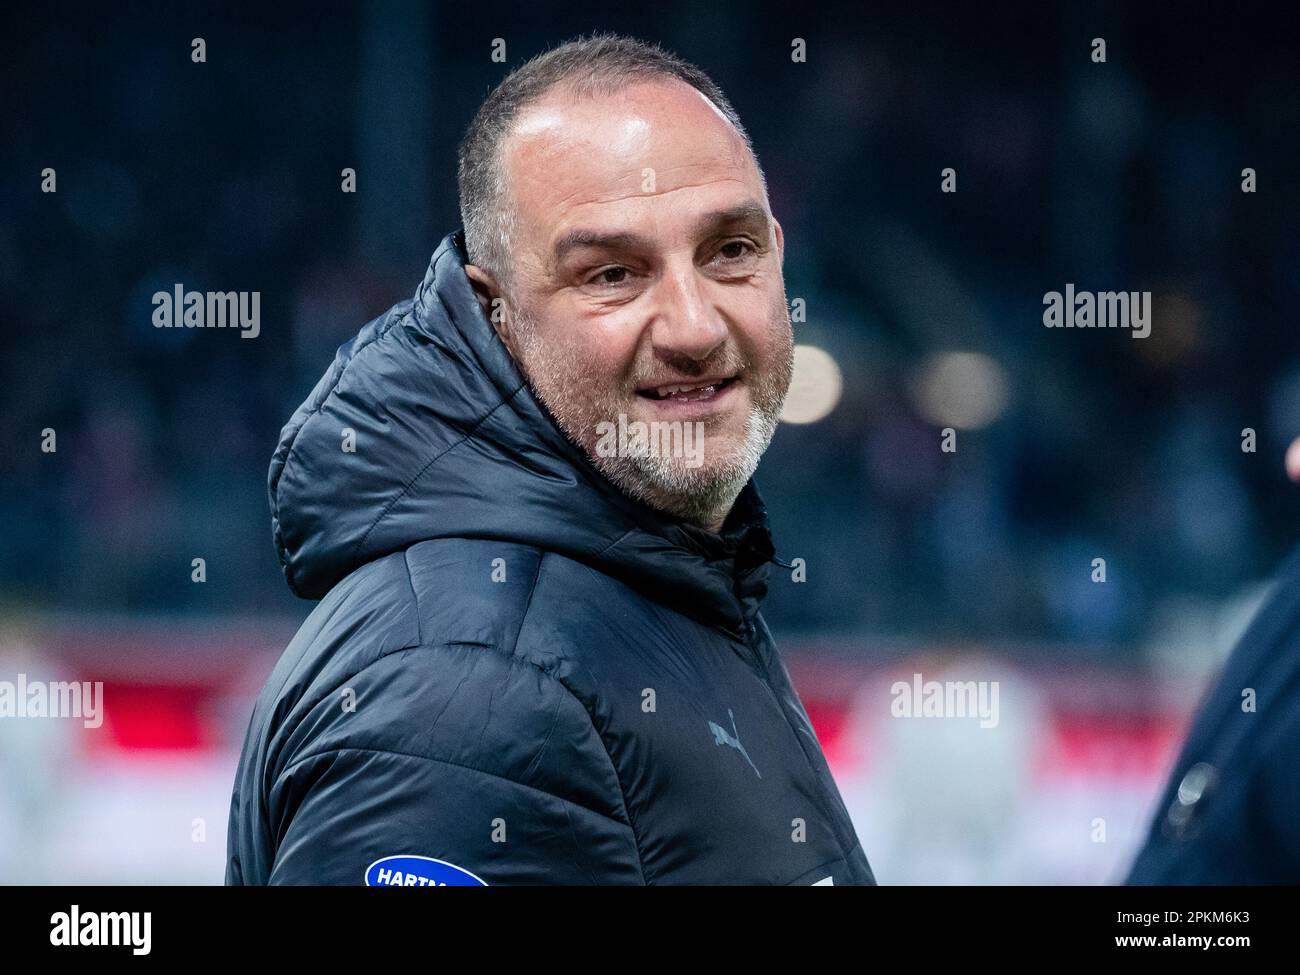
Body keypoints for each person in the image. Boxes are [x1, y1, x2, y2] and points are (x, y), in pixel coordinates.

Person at [225, 33, 875, 885]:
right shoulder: (462, 693)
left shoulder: (666, 585)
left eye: (730, 252)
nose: (694, 326)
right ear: (495, 313)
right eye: (612, 272)